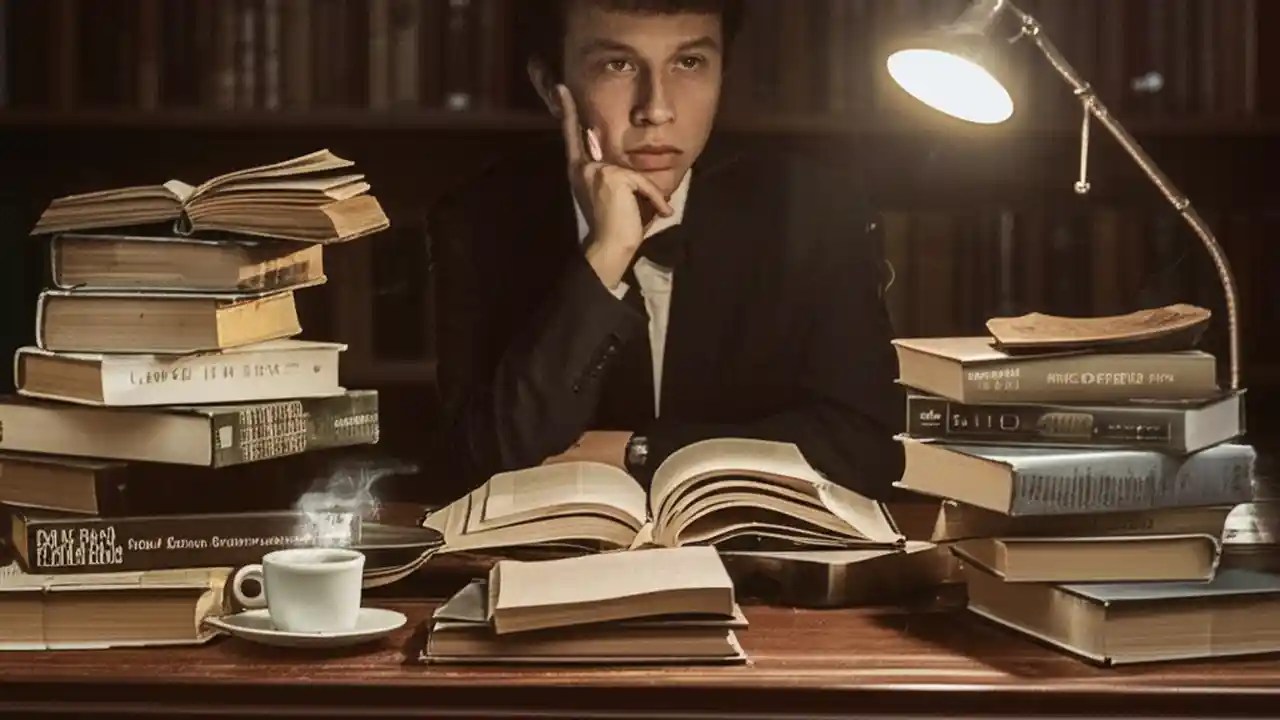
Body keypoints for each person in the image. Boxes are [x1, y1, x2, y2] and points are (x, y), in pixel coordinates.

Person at [428, 0, 904, 498]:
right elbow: (475, 463)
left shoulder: (813, 211)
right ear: (552, 88)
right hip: (553, 569)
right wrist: (605, 256)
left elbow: (866, 446)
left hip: (754, 565)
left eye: (689, 63)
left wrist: (641, 452)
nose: (656, 109)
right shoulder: (477, 219)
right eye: (619, 65)